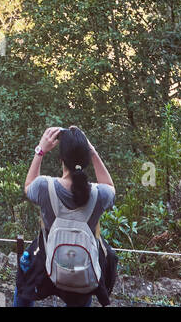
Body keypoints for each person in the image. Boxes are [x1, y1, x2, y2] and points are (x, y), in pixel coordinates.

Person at [14, 124, 115, 308]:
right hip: (82, 270)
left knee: (24, 275)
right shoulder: (99, 194)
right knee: (87, 285)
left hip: (46, 266)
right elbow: (110, 187)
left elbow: (28, 186)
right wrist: (92, 151)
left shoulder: (45, 187)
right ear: (86, 158)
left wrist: (40, 150)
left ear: (61, 158)